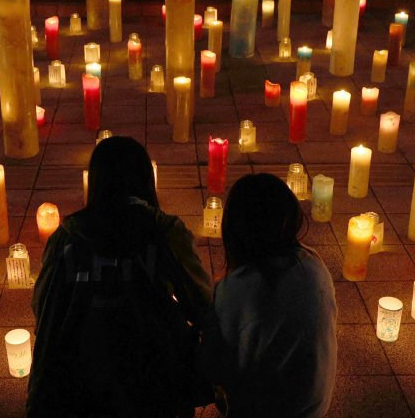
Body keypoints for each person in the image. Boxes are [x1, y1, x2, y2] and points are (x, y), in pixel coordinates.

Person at [28, 136, 213, 418]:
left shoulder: (66, 235)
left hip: (81, 376)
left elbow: (42, 304)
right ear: (144, 179)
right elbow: (202, 303)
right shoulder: (164, 230)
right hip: (153, 376)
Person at [197, 173, 337, 417]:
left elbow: (214, 367)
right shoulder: (313, 263)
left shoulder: (236, 289)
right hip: (315, 405)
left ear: (235, 231)